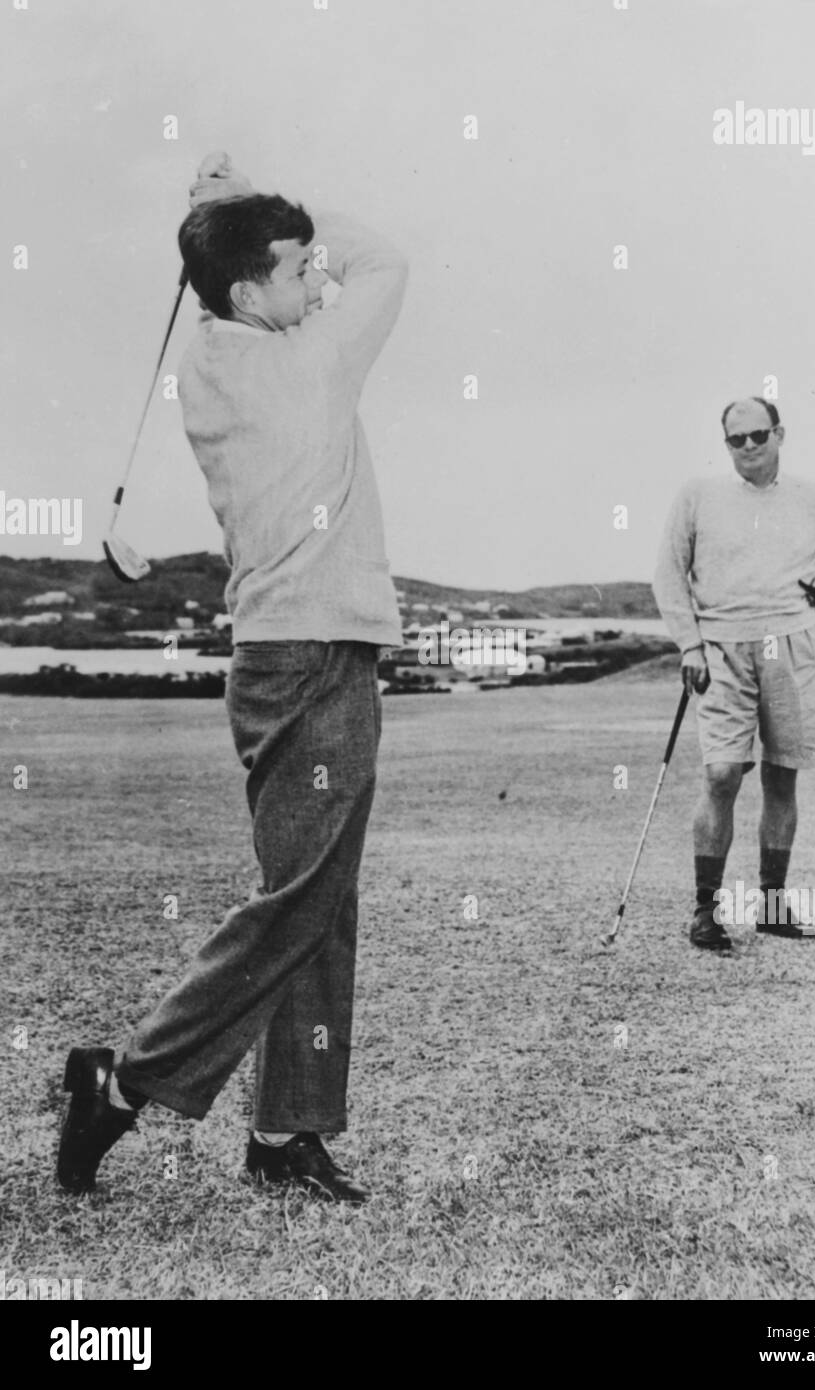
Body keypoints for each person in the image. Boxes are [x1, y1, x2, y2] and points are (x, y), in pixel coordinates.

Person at [57, 152, 408, 1200]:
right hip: (316, 655)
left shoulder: (209, 357)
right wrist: (257, 192)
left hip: (273, 656)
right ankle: (124, 1079)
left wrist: (219, 213)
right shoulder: (310, 359)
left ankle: (286, 1133)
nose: (320, 283)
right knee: (302, 899)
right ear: (255, 293)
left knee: (319, 897)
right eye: (301, 271)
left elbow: (228, 271)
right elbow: (384, 258)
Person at [653, 397, 815, 952]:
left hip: (792, 646)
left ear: (780, 433)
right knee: (722, 775)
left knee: (782, 776)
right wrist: (689, 644)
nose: (749, 447)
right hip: (721, 649)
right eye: (737, 440)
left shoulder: (812, 495)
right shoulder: (698, 496)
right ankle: (705, 912)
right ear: (725, 444)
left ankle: (773, 907)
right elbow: (667, 574)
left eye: (759, 435)